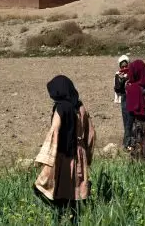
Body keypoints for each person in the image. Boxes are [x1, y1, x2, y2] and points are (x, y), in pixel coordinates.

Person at [34, 75, 96, 225]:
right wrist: (87, 155)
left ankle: (58, 219)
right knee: (75, 190)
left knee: (53, 190)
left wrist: (45, 156)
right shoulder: (80, 107)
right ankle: (75, 220)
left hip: (64, 155)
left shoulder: (61, 107)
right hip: (79, 154)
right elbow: (91, 133)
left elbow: (54, 131)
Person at [113, 54, 132, 149]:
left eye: (126, 66)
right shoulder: (118, 75)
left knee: (133, 120)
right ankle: (127, 142)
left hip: (133, 98)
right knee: (127, 120)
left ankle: (130, 141)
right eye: (122, 66)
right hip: (125, 99)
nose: (124, 67)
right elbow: (117, 89)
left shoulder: (133, 72)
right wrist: (122, 80)